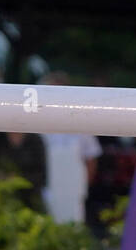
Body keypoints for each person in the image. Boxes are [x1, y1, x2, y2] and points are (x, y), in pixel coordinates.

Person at [39, 70, 100, 224]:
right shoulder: (37, 122)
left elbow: (91, 157)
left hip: (74, 189)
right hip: (47, 187)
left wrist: (83, 186)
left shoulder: (80, 120)